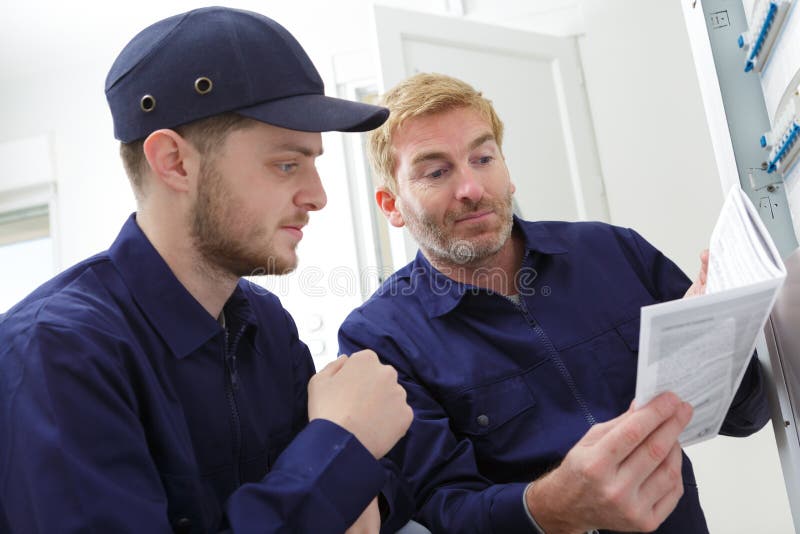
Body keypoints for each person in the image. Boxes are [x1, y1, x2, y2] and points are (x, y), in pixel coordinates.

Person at [0, 7, 414, 533]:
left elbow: (381, 495)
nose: (318, 196)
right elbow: (343, 479)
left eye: (315, 163)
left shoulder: (268, 327)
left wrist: (337, 465)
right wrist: (342, 442)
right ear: (174, 162)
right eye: (287, 163)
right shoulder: (54, 353)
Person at [338, 73, 770, 533]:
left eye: (483, 158)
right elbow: (434, 514)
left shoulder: (613, 252)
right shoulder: (379, 340)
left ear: (507, 169)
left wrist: (717, 334)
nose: (471, 188)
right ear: (391, 206)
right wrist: (552, 507)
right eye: (437, 172)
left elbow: (746, 415)